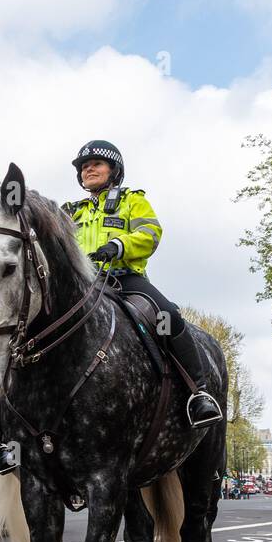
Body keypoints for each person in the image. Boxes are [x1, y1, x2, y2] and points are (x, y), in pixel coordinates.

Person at [63, 140, 222, 427]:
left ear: (114, 170)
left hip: (125, 279)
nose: (89, 170)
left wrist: (118, 245)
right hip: (82, 286)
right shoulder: (71, 211)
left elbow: (151, 232)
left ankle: (199, 393)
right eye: (84, 167)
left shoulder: (132, 200)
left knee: (167, 316)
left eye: (96, 164)